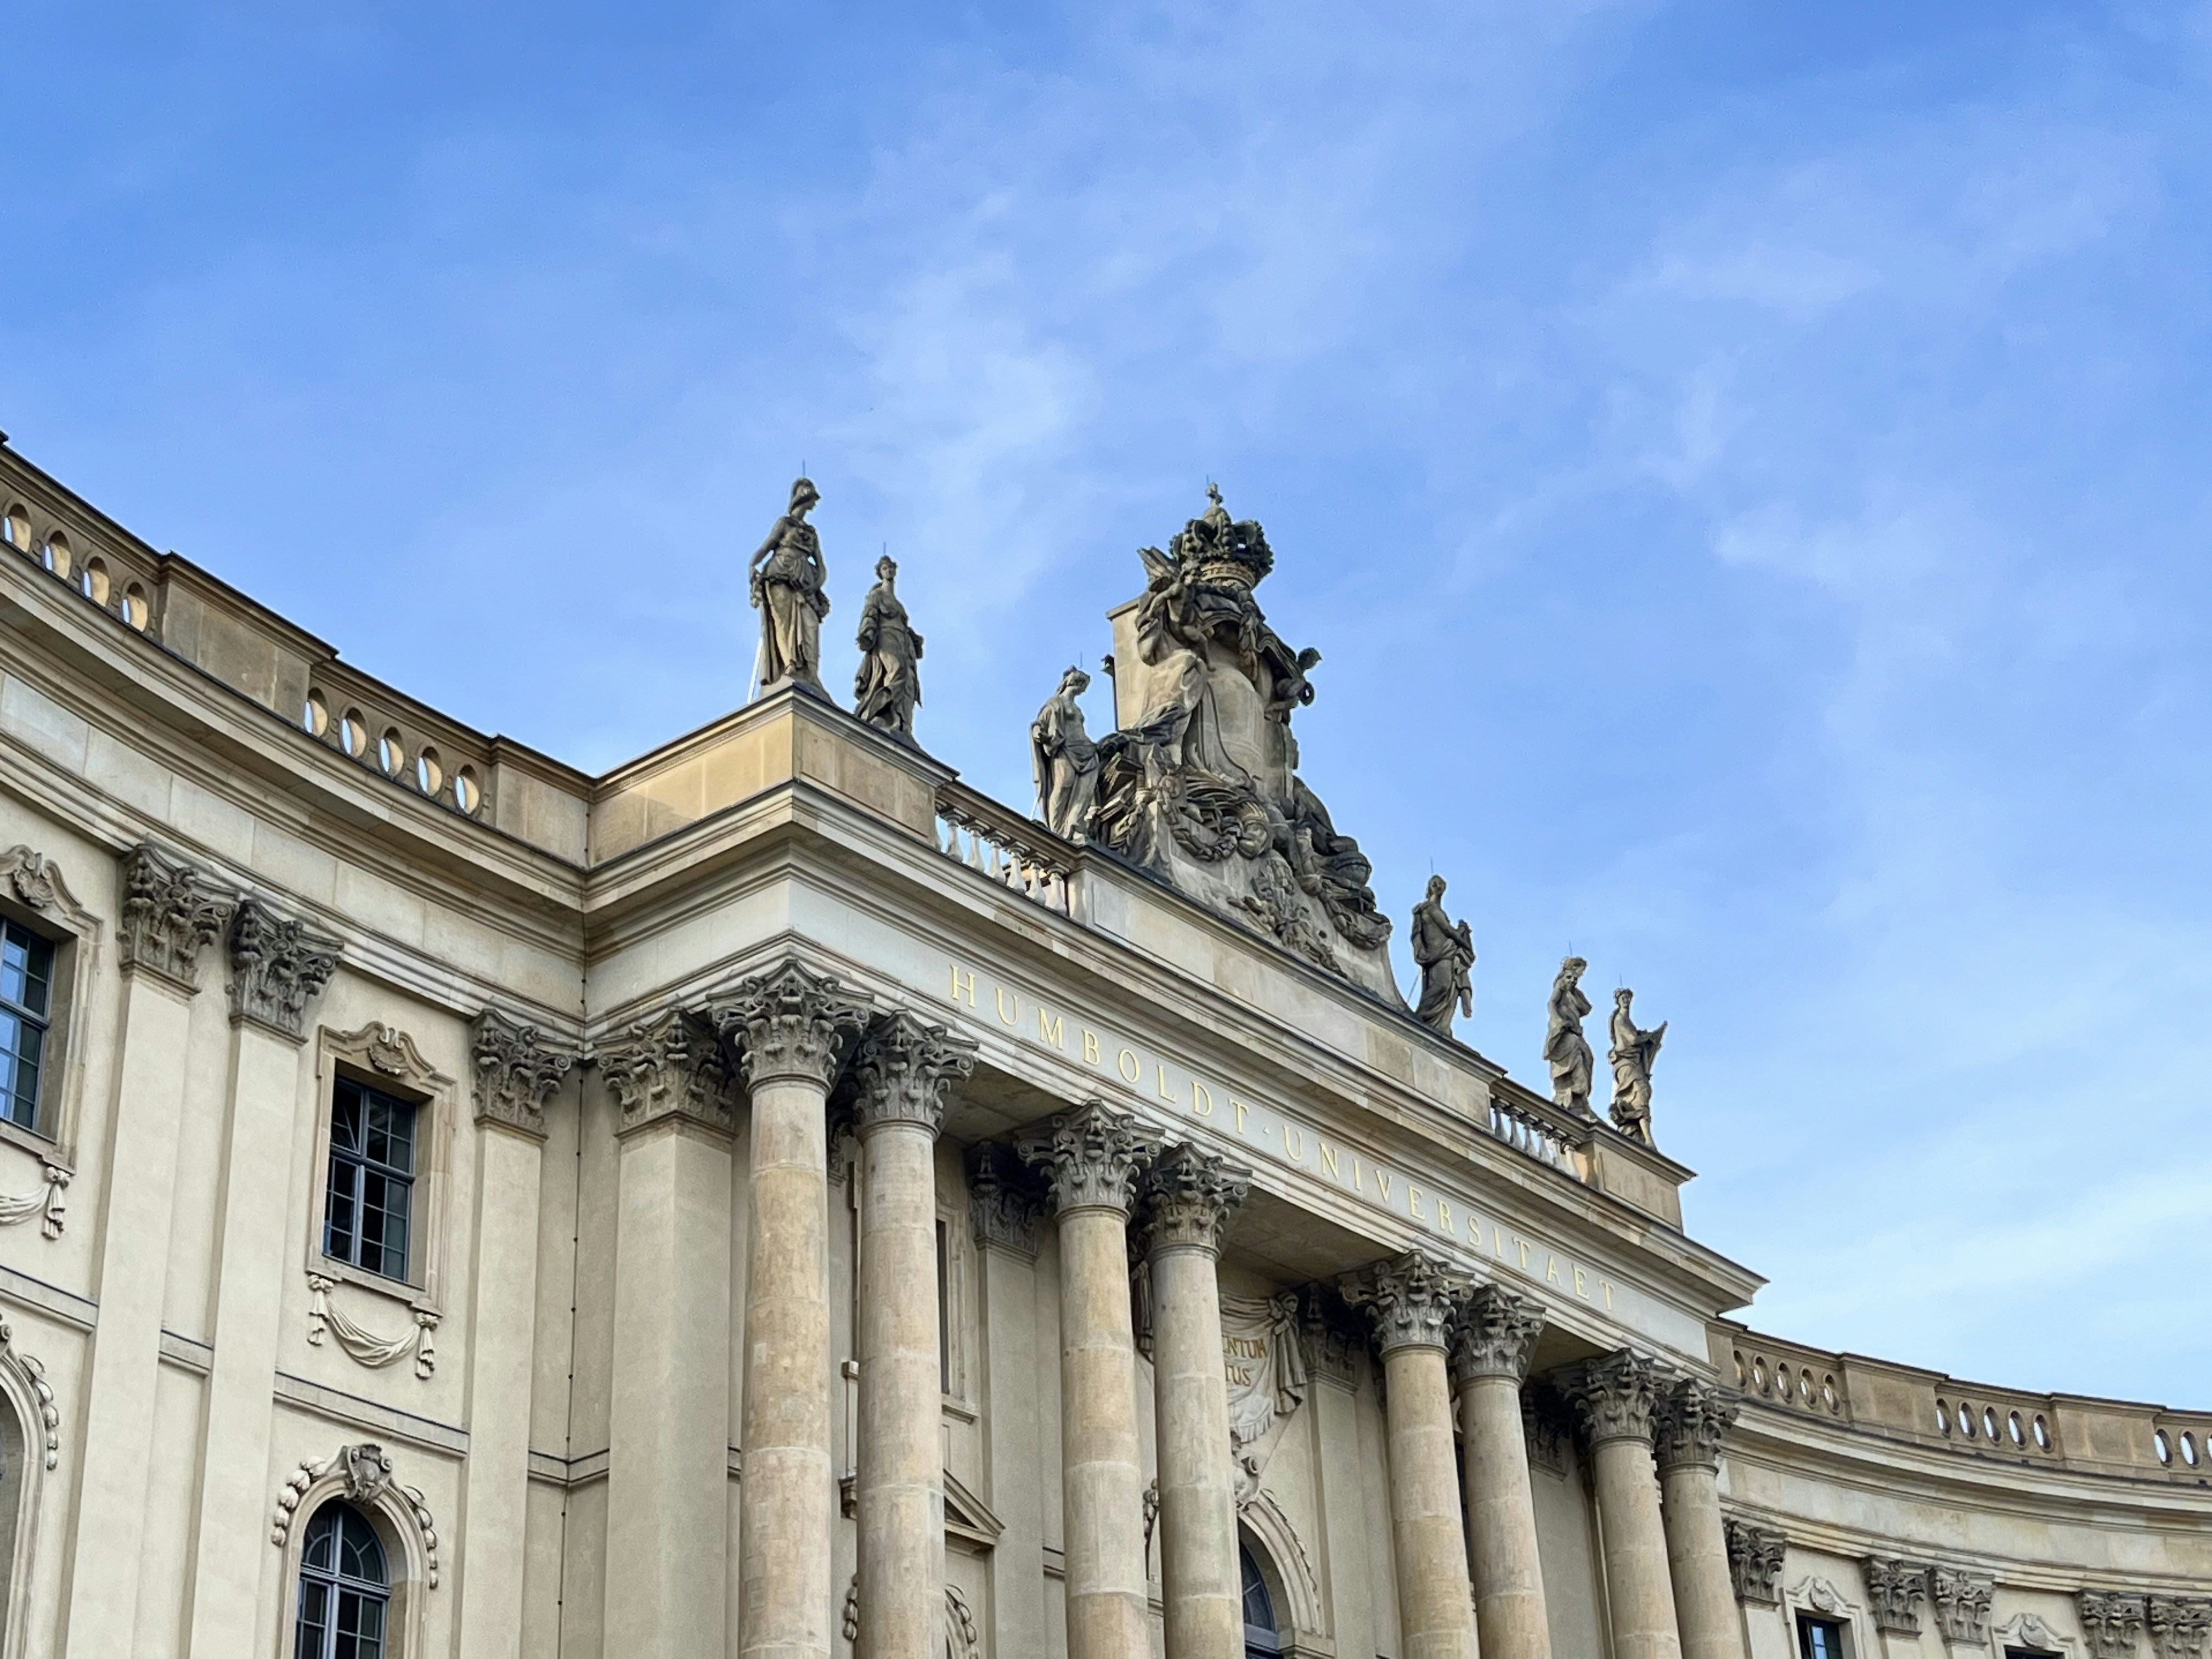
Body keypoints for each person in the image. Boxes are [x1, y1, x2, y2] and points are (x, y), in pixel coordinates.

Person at [748, 477, 830, 693]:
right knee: (783, 624)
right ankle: (790, 665)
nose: (813, 503)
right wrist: (753, 565)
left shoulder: (812, 533)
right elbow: (767, 547)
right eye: (810, 497)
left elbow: (821, 565)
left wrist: (816, 585)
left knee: (810, 627)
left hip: (805, 583)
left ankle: (810, 674)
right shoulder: (784, 524)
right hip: (780, 575)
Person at [853, 555, 923, 742]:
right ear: (880, 572)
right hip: (886, 636)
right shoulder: (876, 595)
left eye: (891, 568)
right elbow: (869, 614)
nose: (889, 571)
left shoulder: (898, 603)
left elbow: (903, 624)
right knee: (897, 670)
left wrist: (914, 638)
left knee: (908, 682)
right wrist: (867, 633)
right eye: (885, 568)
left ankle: (900, 723)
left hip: (903, 640)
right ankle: (876, 712)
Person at [1030, 668, 1102, 840]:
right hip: (1065, 748)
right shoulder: (1056, 703)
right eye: (1083, 685)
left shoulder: (1076, 708)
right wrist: (1039, 733)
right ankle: (1056, 829)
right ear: (1074, 683)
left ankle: (1075, 824)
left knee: (1085, 790)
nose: (1083, 690)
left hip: (1086, 750)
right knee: (1064, 784)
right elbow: (1039, 724)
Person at [1409, 875, 1474, 1035]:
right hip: (1439, 953)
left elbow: (1448, 931)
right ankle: (1423, 1017)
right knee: (1442, 986)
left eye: (1440, 884)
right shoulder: (1429, 909)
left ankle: (1441, 1025)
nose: (1437, 886)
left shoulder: (1435, 910)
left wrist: (1462, 931)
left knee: (1449, 988)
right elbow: (1447, 930)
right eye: (1434, 884)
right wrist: (1463, 939)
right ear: (1429, 888)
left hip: (1446, 952)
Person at [1607, 987, 1667, 1146]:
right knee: (1640, 1093)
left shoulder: (1628, 1021)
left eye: (1628, 998)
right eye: (1623, 998)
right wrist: (1647, 1038)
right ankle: (1648, 1139)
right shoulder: (1620, 1019)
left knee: (1642, 1093)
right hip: (1626, 1064)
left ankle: (1640, 1135)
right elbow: (1632, 1040)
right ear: (1618, 1001)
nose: (1626, 1000)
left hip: (1632, 1063)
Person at [1544, 956, 1594, 1112]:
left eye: (1577, 978)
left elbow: (1586, 1009)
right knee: (1576, 1055)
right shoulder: (1561, 984)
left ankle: (1581, 1095)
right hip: (1566, 1032)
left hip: (1575, 1031)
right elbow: (1552, 1003)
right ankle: (1572, 1095)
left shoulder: (1574, 992)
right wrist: (1558, 1021)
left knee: (1588, 1057)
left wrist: (1573, 992)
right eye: (1572, 976)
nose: (1574, 980)